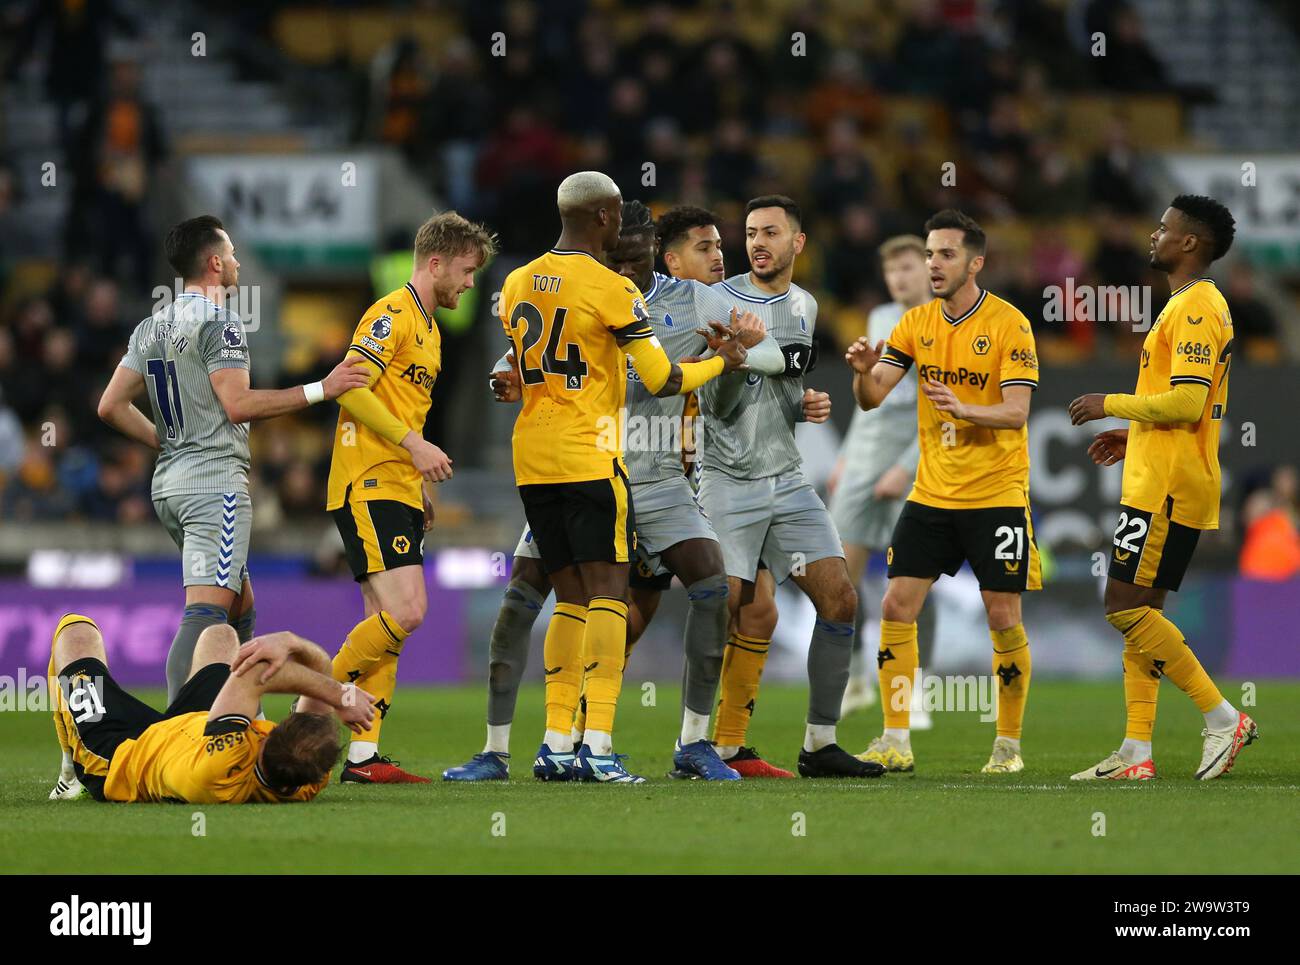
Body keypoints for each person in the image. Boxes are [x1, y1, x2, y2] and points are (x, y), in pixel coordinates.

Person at [444, 204, 817, 782]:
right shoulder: (588, 286)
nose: (628, 268)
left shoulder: (694, 298)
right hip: (583, 466)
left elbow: (757, 345)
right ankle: (502, 750)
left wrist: (783, 372)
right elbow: (529, 349)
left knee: (709, 588)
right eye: (619, 258)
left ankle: (690, 744)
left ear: (656, 257)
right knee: (526, 600)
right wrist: (507, 372)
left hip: (656, 472)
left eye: (637, 260)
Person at [497, 171, 746, 783]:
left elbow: (517, 363)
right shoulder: (612, 289)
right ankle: (597, 747)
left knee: (573, 600)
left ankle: (556, 745)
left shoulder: (516, 281)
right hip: (593, 457)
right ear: (606, 219)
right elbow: (662, 378)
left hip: (534, 460)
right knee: (608, 597)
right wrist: (721, 360)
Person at [95, 216, 369, 710]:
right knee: (204, 613)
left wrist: (165, 441)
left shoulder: (151, 324)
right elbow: (238, 405)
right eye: (234, 252)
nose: (239, 261)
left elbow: (110, 406)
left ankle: (246, 711)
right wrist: (322, 389)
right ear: (216, 263)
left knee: (240, 606)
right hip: (213, 487)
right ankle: (182, 730)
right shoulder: (221, 322)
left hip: (170, 488)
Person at [1068, 195, 1258, 781]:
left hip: (1168, 489)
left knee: (1122, 607)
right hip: (1162, 473)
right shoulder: (1183, 303)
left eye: (1165, 228)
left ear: (1190, 244)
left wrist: (1109, 404)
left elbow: (1189, 399)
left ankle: (1223, 717)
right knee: (1144, 610)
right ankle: (1135, 751)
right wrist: (1135, 434)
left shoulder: (1197, 307)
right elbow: (1182, 408)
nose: (1155, 235)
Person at [846, 209, 1040, 775]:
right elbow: (872, 397)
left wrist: (964, 408)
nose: (934, 264)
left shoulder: (1010, 325)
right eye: (930, 253)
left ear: (975, 263)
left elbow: (1017, 411)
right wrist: (861, 372)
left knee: (1002, 616)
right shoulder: (915, 325)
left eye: (946, 254)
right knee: (894, 605)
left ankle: (1007, 747)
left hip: (997, 492)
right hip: (932, 493)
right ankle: (895, 739)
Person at [697, 195, 883, 779]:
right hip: (727, 479)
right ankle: (698, 744)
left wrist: (804, 404)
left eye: (771, 232)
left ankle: (819, 745)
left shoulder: (804, 304)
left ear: (797, 243)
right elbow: (718, 401)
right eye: (750, 231)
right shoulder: (718, 299)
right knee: (725, 608)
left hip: (787, 479)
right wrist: (744, 358)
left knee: (840, 599)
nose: (757, 242)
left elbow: (788, 370)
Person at [325, 211, 496, 783]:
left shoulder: (431, 330)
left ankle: (363, 757)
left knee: (384, 623)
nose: (470, 284)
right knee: (409, 610)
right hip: (367, 477)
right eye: (467, 272)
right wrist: (414, 445)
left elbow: (403, 406)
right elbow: (350, 391)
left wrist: (419, 480)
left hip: (397, 483)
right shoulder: (390, 314)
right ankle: (313, 703)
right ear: (437, 262)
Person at [46, 613, 371, 804]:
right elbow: (319, 672)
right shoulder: (309, 776)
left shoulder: (223, 764)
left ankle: (70, 770)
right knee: (221, 635)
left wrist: (291, 644)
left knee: (74, 631)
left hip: (125, 754)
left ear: (265, 737)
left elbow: (256, 676)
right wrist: (326, 687)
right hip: (197, 725)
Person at [828, 235, 936, 737]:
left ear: (928, 268)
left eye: (908, 267)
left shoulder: (942, 320)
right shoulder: (878, 318)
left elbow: (942, 407)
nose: (900, 278)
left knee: (909, 580)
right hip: (867, 450)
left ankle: (913, 688)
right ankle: (854, 679)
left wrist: (909, 466)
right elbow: (868, 390)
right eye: (892, 270)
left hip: (913, 450)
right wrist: (847, 454)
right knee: (840, 574)